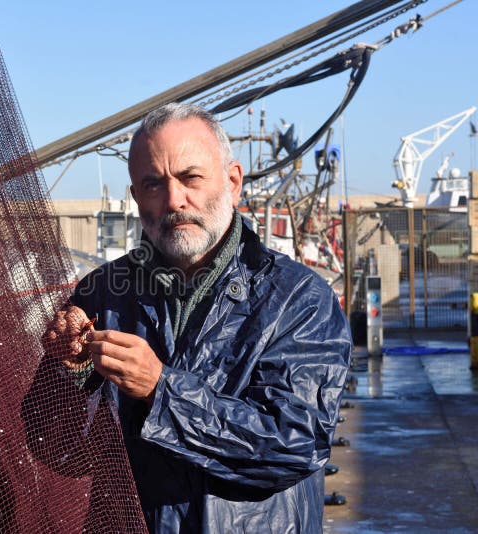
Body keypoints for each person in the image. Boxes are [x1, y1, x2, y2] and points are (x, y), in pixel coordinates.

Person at [38, 102, 351, 533]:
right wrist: (66, 372)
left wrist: (161, 391)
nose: (174, 200)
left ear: (233, 182)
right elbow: (56, 449)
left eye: (190, 178)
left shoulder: (299, 299)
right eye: (153, 184)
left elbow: (293, 446)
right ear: (135, 197)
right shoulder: (102, 291)